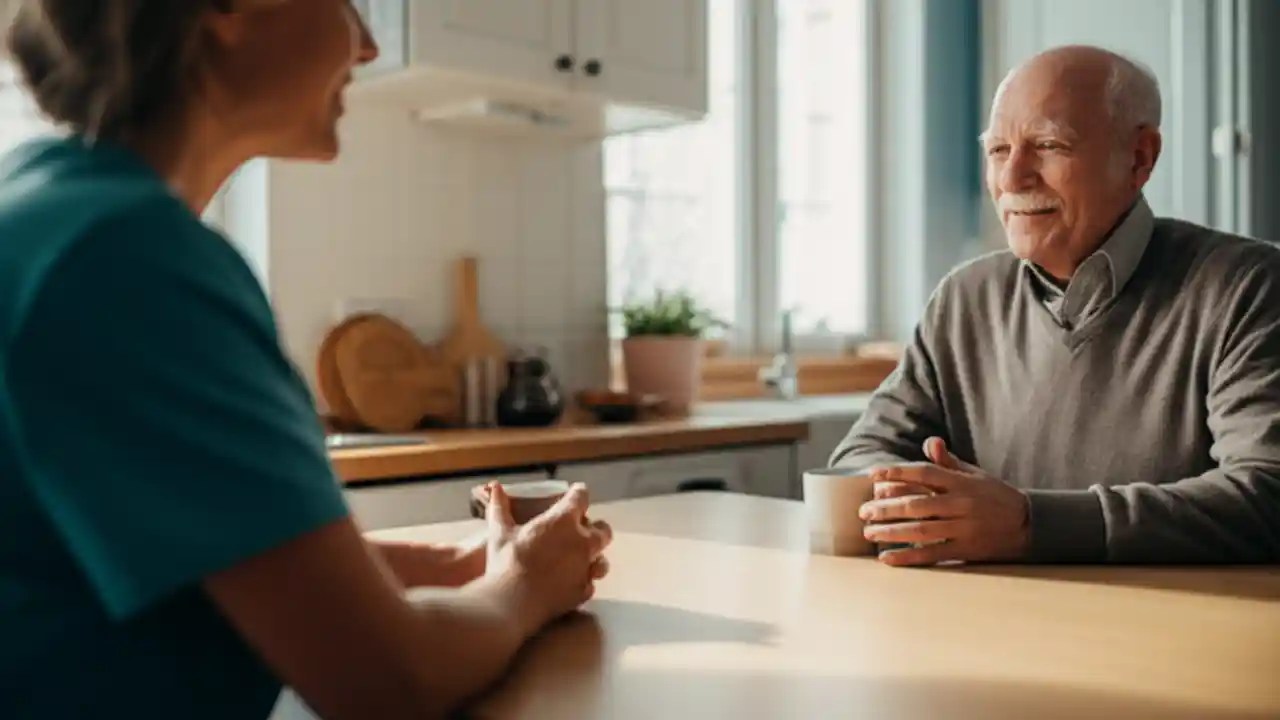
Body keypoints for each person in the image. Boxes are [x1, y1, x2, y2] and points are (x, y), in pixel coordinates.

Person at [0, 1, 612, 718]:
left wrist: (471, 564)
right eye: (350, 5)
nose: (369, 46)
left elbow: (223, 565)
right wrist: (525, 588)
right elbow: (389, 679)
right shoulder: (125, 256)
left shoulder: (48, 205)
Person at [833, 45, 1280, 566]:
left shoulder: (1249, 287)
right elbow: (859, 458)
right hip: (985, 626)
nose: (1013, 177)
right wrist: (914, 496)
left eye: (1048, 145)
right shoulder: (965, 298)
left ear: (1140, 157)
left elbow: (1267, 489)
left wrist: (1030, 524)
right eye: (999, 150)